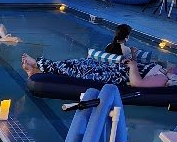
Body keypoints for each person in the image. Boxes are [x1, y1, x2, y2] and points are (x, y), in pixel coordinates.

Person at [21, 51, 177, 88]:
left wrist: (133, 66)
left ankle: (38, 64)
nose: (173, 66)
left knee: (76, 70)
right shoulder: (162, 70)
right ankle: (38, 69)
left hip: (113, 77)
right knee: (79, 62)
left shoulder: (164, 78)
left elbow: (138, 83)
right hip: (111, 69)